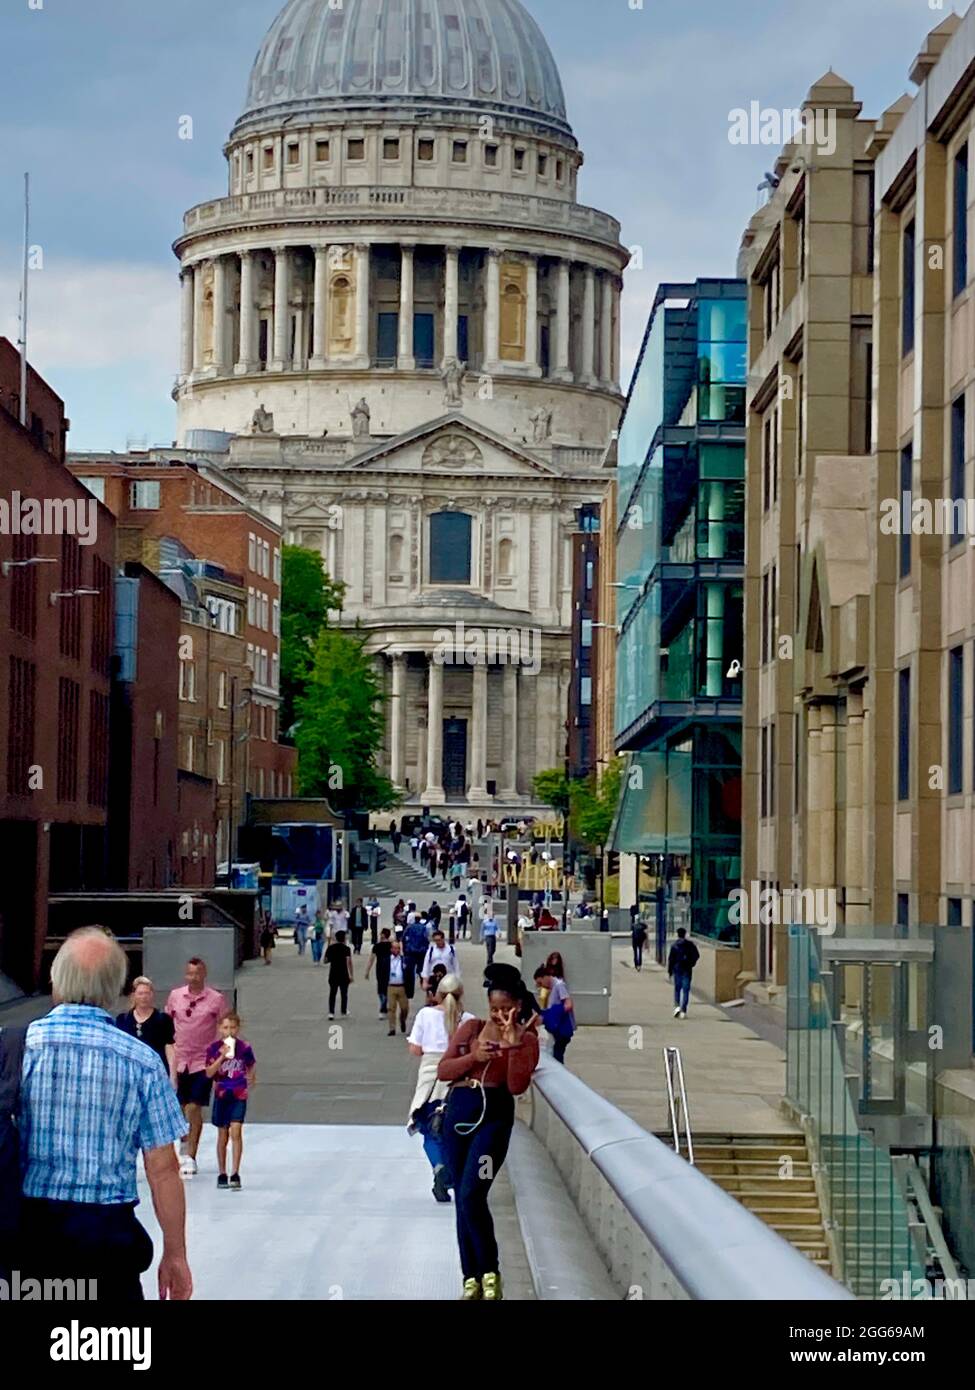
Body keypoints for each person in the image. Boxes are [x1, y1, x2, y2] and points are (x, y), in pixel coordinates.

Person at [18, 928, 192, 1301]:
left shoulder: (16, 1049)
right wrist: (175, 1254)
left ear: (55, 979)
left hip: (31, 1234)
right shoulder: (142, 1061)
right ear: (116, 989)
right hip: (107, 1238)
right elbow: (163, 1168)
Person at [437, 963, 540, 1301]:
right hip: (459, 1114)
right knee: (460, 1200)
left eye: (507, 1009)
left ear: (519, 1006)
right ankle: (471, 1278)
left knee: (472, 1194)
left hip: (493, 1117)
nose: (500, 1016)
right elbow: (443, 1070)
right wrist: (475, 1057)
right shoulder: (471, 1029)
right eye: (495, 1009)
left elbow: (515, 1085)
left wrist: (511, 1047)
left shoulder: (527, 1039)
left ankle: (491, 1272)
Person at [407, 975, 474, 1203]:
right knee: (452, 1129)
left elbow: (415, 1049)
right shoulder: (469, 1020)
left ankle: (440, 1169)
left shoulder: (425, 1015)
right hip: (459, 1077)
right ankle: (450, 1174)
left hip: (430, 1077)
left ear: (437, 994)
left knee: (428, 1127)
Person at [166, 958, 228, 1178]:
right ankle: (184, 1142)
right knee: (181, 1108)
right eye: (190, 973)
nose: (194, 977)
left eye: (197, 973)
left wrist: (224, 1055)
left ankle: (191, 1154)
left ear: (204, 974)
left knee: (194, 1107)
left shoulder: (216, 999)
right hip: (180, 1059)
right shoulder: (175, 996)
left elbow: (225, 1026)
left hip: (204, 1061)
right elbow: (168, 1023)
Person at [204, 1012, 256, 1191]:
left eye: (233, 1027)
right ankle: (222, 1172)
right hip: (222, 1093)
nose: (229, 1031)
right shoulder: (213, 1048)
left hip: (238, 1093)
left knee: (236, 1131)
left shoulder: (244, 1048)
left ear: (238, 1029)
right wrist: (221, 1057)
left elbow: (250, 1064)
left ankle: (235, 1171)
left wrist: (251, 1077)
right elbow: (209, 1072)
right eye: (226, 1027)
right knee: (222, 1134)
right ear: (220, 1029)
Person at [116, 977, 176, 1086]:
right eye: (140, 993)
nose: (144, 997)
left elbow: (169, 1048)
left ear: (152, 995)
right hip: (131, 1072)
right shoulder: (123, 1019)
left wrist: (173, 1076)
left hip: (156, 1072)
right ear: (134, 996)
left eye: (147, 993)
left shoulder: (163, 1019)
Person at [534, 964, 575, 1064]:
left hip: (560, 1025)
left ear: (545, 977)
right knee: (555, 1051)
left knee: (557, 1053)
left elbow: (568, 1004)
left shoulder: (559, 985)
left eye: (540, 983)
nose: (541, 986)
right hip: (556, 1025)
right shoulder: (551, 988)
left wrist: (554, 1014)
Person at [668, 927, 700, 1018]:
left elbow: (671, 960)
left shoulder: (674, 946)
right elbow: (696, 955)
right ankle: (683, 1010)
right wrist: (692, 963)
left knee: (677, 989)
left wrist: (670, 971)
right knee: (686, 990)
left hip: (677, 968)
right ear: (685, 934)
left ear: (677, 934)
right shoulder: (690, 945)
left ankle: (677, 1007)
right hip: (687, 969)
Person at [325, 930, 353, 1018]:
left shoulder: (331, 948)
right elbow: (349, 962)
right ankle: (343, 1011)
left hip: (333, 973)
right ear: (344, 938)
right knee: (344, 993)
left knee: (332, 993)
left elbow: (325, 961)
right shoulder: (346, 949)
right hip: (343, 973)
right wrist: (351, 975)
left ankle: (331, 1012)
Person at [366, 927, 393, 1017]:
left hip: (381, 967)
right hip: (388, 967)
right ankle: (384, 1006)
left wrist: (367, 971)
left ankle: (383, 1007)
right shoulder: (391, 945)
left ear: (383, 935)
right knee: (385, 987)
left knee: (381, 988)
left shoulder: (377, 946)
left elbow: (371, 959)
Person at [403, 913, 430, 999]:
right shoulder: (423, 928)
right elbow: (426, 939)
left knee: (410, 973)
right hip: (421, 952)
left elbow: (404, 938)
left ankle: (409, 992)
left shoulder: (410, 927)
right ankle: (424, 984)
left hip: (410, 952)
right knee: (422, 970)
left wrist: (405, 949)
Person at [386, 940, 409, 1036]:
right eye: (395, 948)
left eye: (398, 948)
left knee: (404, 1008)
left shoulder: (404, 960)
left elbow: (409, 974)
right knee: (391, 1008)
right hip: (391, 986)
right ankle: (392, 1028)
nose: (397, 950)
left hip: (402, 986)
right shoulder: (387, 960)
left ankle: (402, 1020)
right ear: (391, 949)